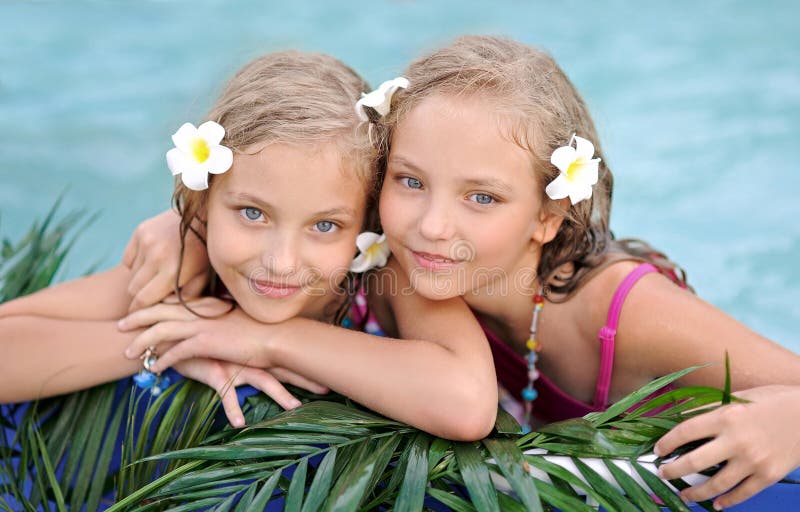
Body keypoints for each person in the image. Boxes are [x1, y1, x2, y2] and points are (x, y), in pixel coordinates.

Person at [123, 35, 800, 510]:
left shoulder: (627, 315)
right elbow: (304, 165)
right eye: (410, 181)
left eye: (482, 197)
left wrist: (790, 421)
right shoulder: (403, 273)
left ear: (547, 216)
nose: (432, 226)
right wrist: (188, 223)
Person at [0, 49, 497, 440]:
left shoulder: (385, 281)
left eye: (325, 226)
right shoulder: (191, 272)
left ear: (368, 223)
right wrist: (177, 338)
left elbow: (468, 406)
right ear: (201, 204)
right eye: (252, 214)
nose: (280, 261)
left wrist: (266, 339)